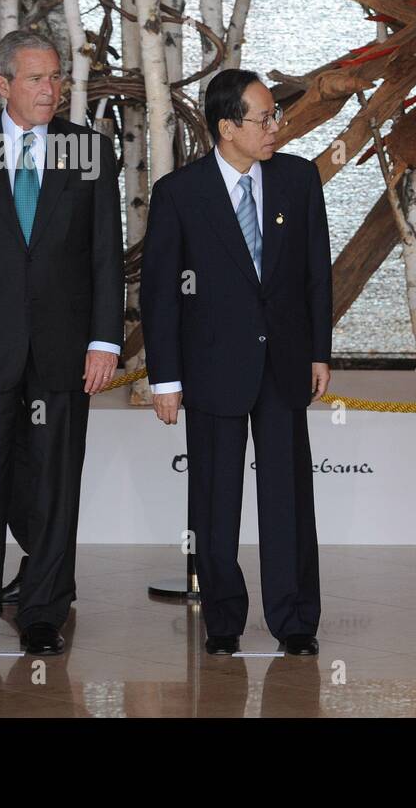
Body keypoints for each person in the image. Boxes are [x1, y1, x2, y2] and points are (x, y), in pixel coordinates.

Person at [0, 30, 124, 656]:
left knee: (55, 484)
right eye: (37, 78)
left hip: (65, 349)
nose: (51, 89)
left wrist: (104, 340)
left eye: (57, 77)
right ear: (3, 85)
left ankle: (44, 611)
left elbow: (105, 258)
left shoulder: (89, 152)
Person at [140, 68, 331, 657]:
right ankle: (222, 622)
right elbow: (160, 293)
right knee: (214, 501)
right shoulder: (180, 193)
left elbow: (316, 274)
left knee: (289, 498)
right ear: (226, 127)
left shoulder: (298, 180)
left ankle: (295, 620)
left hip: (283, 365)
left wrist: (320, 351)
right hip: (211, 369)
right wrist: (164, 378)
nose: (275, 127)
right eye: (263, 118)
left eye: (275, 116)